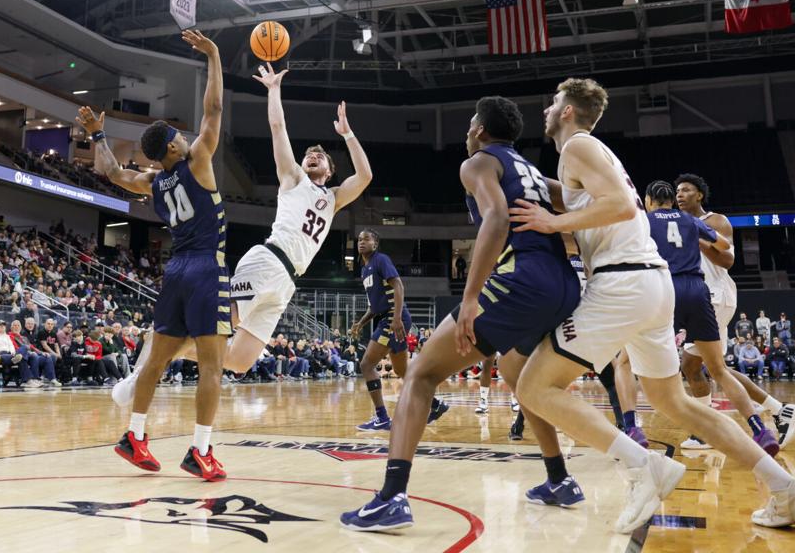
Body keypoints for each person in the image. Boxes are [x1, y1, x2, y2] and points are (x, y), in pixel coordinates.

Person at [508, 78, 795, 533]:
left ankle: (643, 466)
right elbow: (597, 205)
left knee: (534, 388)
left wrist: (554, 221)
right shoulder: (588, 157)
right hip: (653, 286)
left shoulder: (578, 146)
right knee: (674, 401)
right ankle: (787, 488)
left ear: (568, 112)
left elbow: (618, 205)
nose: (546, 109)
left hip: (624, 285)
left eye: (553, 102)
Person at [341, 96, 582, 531]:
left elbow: (495, 219)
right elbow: (584, 202)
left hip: (520, 281)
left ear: (482, 131)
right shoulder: (533, 173)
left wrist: (471, 296)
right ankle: (560, 479)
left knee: (420, 375)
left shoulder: (477, 164)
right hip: (564, 284)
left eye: (471, 124)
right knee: (518, 376)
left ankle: (392, 497)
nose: (468, 131)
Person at [112, 61, 373, 405]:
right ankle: (148, 362)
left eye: (319, 156)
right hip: (268, 261)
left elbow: (366, 176)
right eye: (309, 154)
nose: (312, 156)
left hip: (287, 282)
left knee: (238, 360)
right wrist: (274, 90)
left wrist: (348, 135)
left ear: (330, 168)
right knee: (216, 330)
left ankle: (166, 347)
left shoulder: (334, 198)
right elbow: (278, 128)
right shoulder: (293, 178)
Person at [81, 30, 232, 480]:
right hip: (206, 265)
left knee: (156, 361)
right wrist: (215, 56)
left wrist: (98, 135)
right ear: (171, 147)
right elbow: (215, 109)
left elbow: (109, 171)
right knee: (212, 366)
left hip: (176, 270)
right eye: (179, 137)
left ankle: (135, 436)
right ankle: (201, 451)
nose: (188, 137)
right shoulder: (198, 160)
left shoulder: (153, 182)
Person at [643, 181, 779, 457]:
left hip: (667, 290)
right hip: (698, 289)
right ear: (672, 199)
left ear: (649, 200)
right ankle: (758, 428)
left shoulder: (645, 221)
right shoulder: (691, 221)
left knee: (632, 361)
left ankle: (632, 424)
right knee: (717, 369)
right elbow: (725, 245)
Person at [674, 174, 795, 450]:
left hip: (715, 296)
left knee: (699, 366)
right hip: (700, 296)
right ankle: (779, 410)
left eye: (686, 190)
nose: (680, 194)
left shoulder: (715, 221)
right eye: (677, 191)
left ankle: (707, 430)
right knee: (706, 367)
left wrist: (697, 237)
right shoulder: (678, 224)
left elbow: (728, 260)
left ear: (700, 195)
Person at [349, 229, 447, 430]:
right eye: (359, 239)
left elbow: (399, 286)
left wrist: (395, 319)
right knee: (402, 370)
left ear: (375, 243)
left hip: (394, 318)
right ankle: (436, 405)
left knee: (367, 365)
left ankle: (382, 417)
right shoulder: (364, 270)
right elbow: (374, 306)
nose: (361, 242)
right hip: (389, 317)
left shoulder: (381, 260)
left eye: (366, 239)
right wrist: (361, 323)